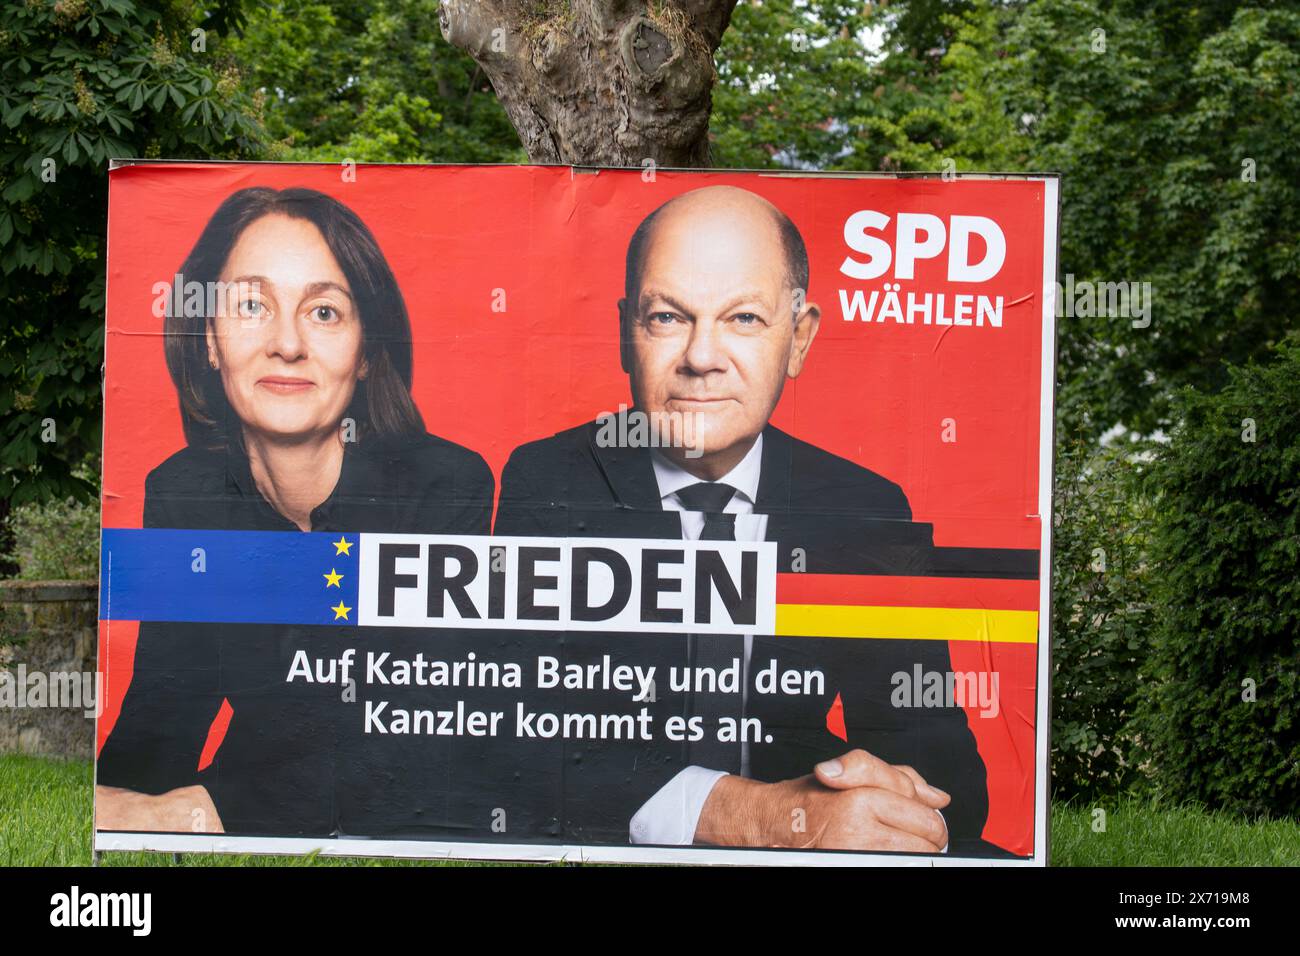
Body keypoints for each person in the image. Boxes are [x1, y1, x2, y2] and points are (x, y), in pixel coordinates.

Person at [495, 185, 992, 855]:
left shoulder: (864, 508)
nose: (702, 357)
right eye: (667, 317)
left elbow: (945, 771)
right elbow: (518, 737)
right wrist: (760, 816)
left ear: (799, 339)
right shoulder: (551, 483)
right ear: (625, 334)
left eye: (744, 319)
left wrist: (888, 795)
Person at [95, 187, 495, 837]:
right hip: (248, 791)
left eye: (324, 312)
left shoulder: (444, 488)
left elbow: (414, 737)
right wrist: (110, 810)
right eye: (252, 305)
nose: (287, 343)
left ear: (367, 352)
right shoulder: (184, 492)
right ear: (209, 340)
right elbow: (166, 707)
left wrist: (193, 813)